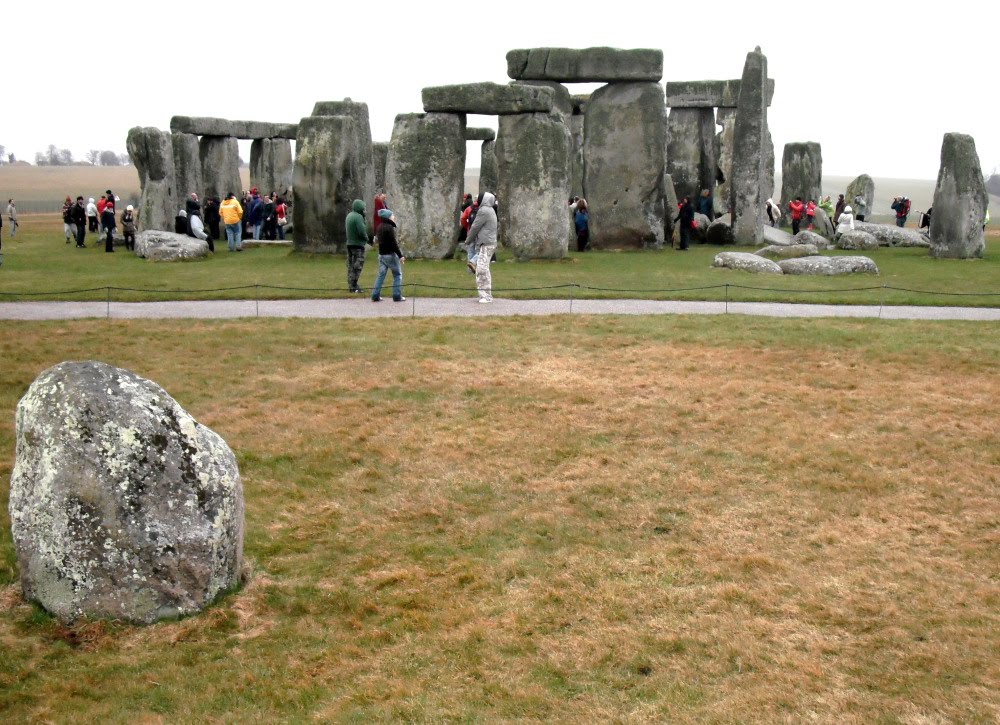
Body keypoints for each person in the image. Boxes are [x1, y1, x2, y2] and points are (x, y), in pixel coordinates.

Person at [467, 191, 498, 303]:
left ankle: (485, 296)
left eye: (479, 199)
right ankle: (487, 294)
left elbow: (475, 226)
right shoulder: (490, 210)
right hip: (489, 243)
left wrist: (468, 240)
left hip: (486, 243)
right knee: (485, 269)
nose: (477, 201)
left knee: (481, 269)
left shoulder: (484, 211)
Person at [370, 208, 405, 302]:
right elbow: (393, 243)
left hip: (381, 255)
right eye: (392, 215)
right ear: (388, 217)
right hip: (390, 255)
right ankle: (397, 295)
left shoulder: (380, 226)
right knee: (397, 274)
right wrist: (400, 255)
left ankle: (375, 295)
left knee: (381, 275)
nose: (394, 217)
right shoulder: (389, 228)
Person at [345, 198, 371, 293]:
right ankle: (354, 286)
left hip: (349, 243)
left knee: (351, 265)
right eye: (363, 208)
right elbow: (362, 231)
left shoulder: (349, 215)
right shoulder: (358, 217)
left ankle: (351, 284)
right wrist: (366, 238)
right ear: (359, 207)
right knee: (358, 265)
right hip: (358, 245)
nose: (364, 210)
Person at [463, 201, 480, 273]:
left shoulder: (468, 208)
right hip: (479, 232)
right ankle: (474, 263)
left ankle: (470, 270)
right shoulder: (482, 209)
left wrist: (467, 227)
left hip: (470, 231)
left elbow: (463, 218)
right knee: (480, 251)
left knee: (470, 251)